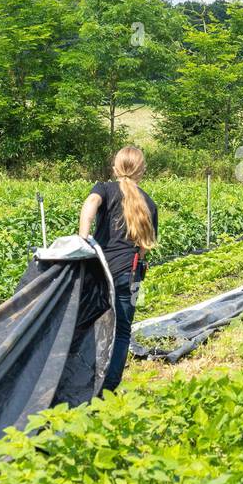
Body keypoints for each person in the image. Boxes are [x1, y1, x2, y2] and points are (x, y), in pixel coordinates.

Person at [78, 145, 158, 393]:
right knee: (122, 330)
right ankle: (109, 387)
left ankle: (84, 381)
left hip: (101, 272)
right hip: (130, 276)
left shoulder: (104, 189)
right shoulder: (149, 203)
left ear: (115, 168)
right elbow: (145, 247)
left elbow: (91, 202)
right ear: (142, 171)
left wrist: (83, 237)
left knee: (90, 324)